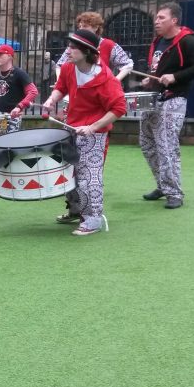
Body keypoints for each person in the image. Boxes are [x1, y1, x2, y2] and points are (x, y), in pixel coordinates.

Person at [42, 29, 127, 235]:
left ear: (87, 51)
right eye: (68, 46)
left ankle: (94, 218)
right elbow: (61, 87)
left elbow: (119, 109)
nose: (68, 51)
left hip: (94, 134)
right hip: (72, 127)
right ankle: (77, 211)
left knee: (90, 176)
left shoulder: (106, 78)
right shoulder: (70, 69)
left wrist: (93, 127)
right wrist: (51, 100)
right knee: (70, 172)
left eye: (73, 47)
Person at [139, 2, 194, 209]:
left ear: (174, 20)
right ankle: (163, 185)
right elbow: (158, 69)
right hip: (154, 98)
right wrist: (151, 80)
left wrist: (176, 76)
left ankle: (175, 193)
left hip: (174, 99)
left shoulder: (188, 41)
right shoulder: (158, 41)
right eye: (156, 18)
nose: (156, 21)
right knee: (146, 143)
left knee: (166, 146)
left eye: (161, 18)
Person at [0, 44, 39, 180]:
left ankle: (11, 172)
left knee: (10, 145)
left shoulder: (19, 73)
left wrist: (19, 106)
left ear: (9, 56)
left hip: (14, 116)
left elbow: (33, 91)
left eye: (0, 54)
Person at [55, 12, 134, 83]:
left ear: (96, 28)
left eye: (85, 26)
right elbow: (59, 65)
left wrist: (115, 81)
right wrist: (59, 81)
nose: (81, 29)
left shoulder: (109, 45)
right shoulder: (74, 44)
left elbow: (128, 64)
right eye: (80, 26)